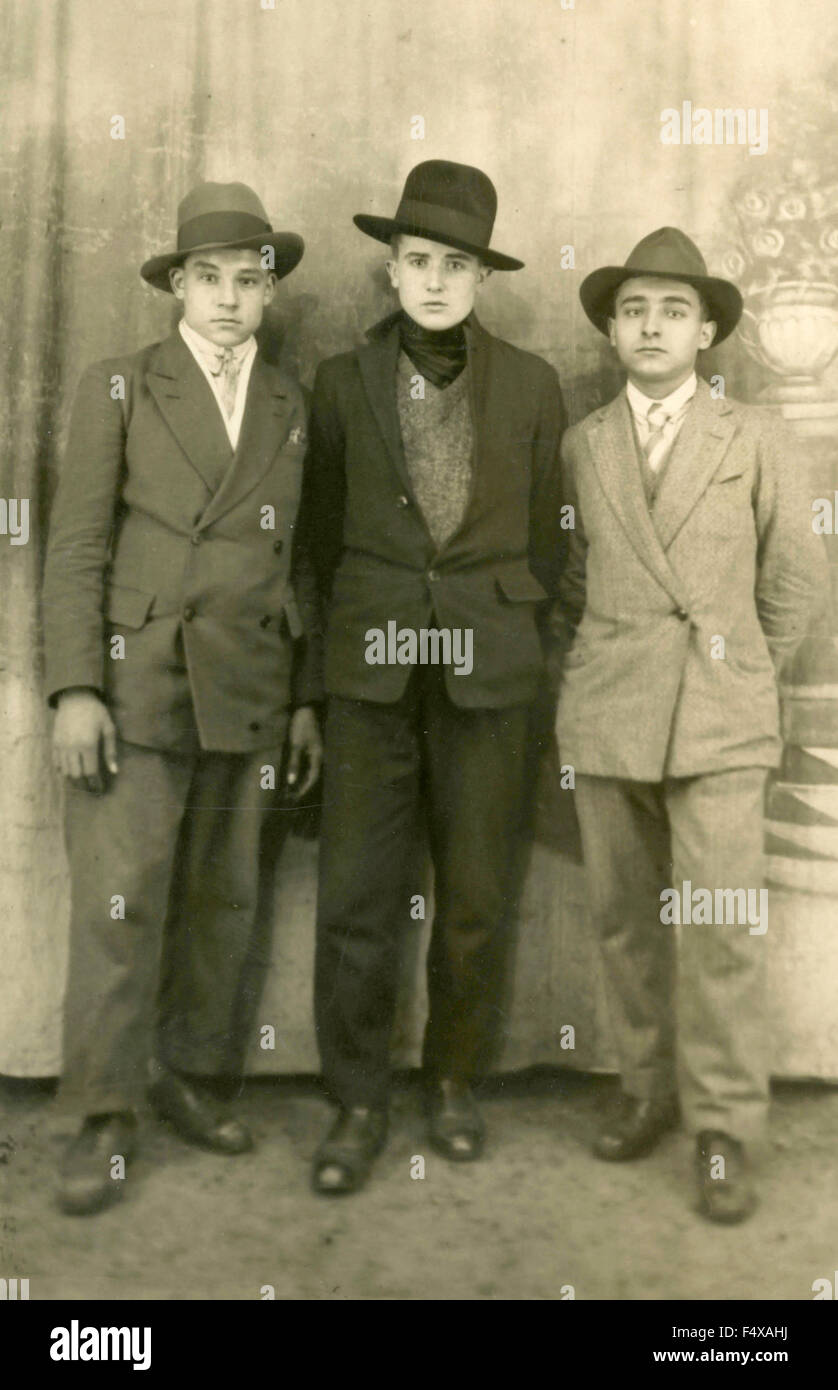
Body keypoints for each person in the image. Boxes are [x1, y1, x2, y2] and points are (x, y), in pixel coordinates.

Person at [42, 181, 323, 1215]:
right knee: (121, 906)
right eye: (208, 278)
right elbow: (73, 547)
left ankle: (189, 1078)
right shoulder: (118, 384)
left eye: (250, 281)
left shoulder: (293, 405)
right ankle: (106, 1114)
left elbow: (300, 566)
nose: (229, 299)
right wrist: (76, 687)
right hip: (137, 683)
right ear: (176, 285)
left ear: (270, 292)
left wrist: (302, 698)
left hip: (248, 686)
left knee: (223, 904)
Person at [299, 159, 566, 1194]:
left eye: (456, 263)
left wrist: (490, 622)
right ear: (391, 269)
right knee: (357, 899)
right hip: (370, 678)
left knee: (475, 897)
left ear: (482, 278)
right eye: (417, 260)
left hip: (486, 676)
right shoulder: (337, 383)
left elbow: (546, 543)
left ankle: (453, 1080)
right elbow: (315, 544)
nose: (436, 280)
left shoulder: (533, 385)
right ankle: (358, 1099)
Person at [554, 226, 827, 1222]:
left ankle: (722, 1127)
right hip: (611, 709)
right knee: (627, 922)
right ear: (612, 330)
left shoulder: (755, 436)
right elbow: (572, 580)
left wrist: (735, 660)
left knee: (717, 926)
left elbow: (796, 574)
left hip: (719, 716)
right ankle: (645, 1088)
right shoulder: (582, 443)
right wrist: (605, 660)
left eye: (674, 309)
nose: (653, 326)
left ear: (707, 329)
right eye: (634, 309)